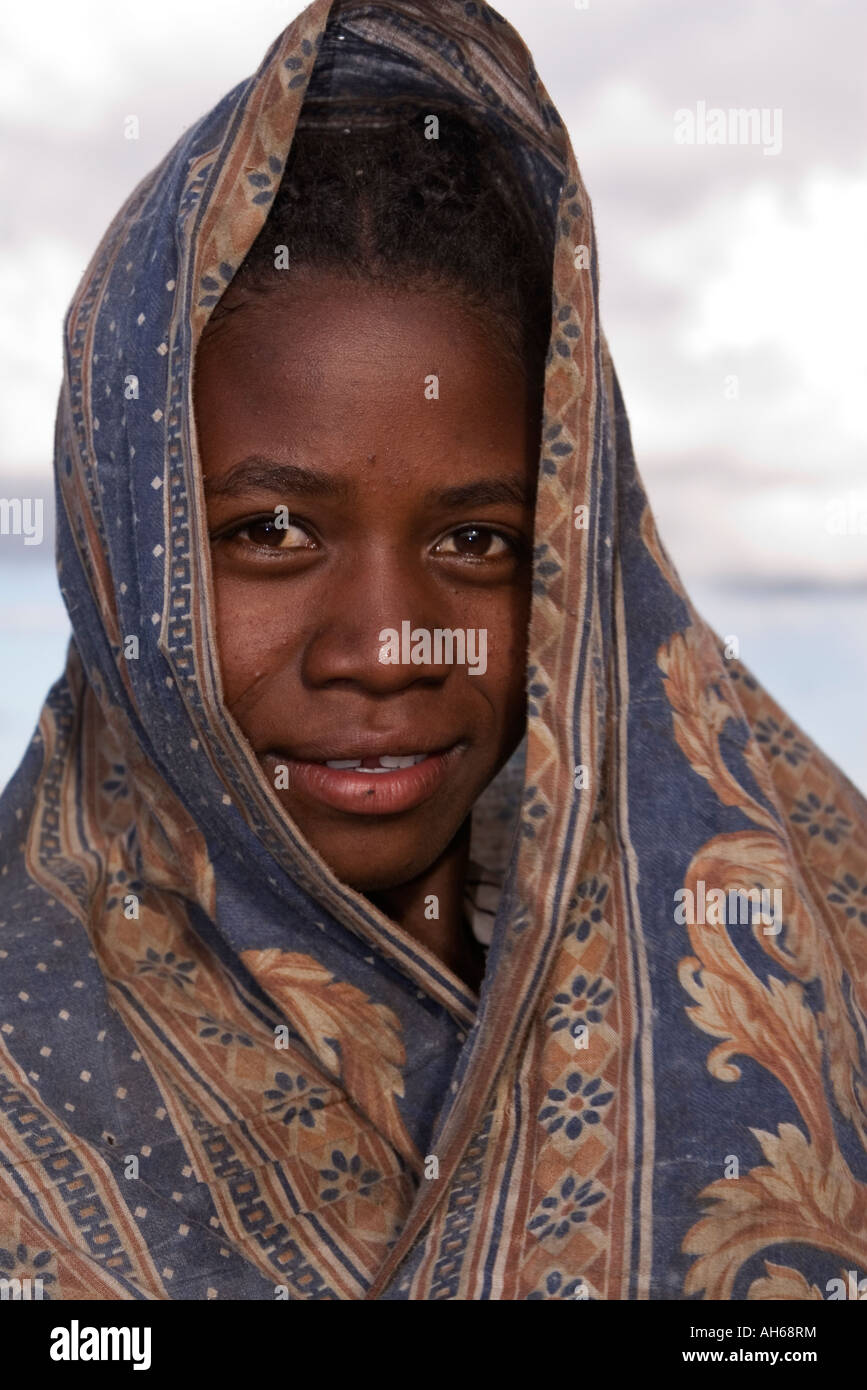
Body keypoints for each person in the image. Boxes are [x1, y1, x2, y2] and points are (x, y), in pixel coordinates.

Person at [0, 0, 865, 1302]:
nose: (385, 645)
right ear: (131, 543)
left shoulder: (821, 980)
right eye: (274, 531)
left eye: (479, 541)